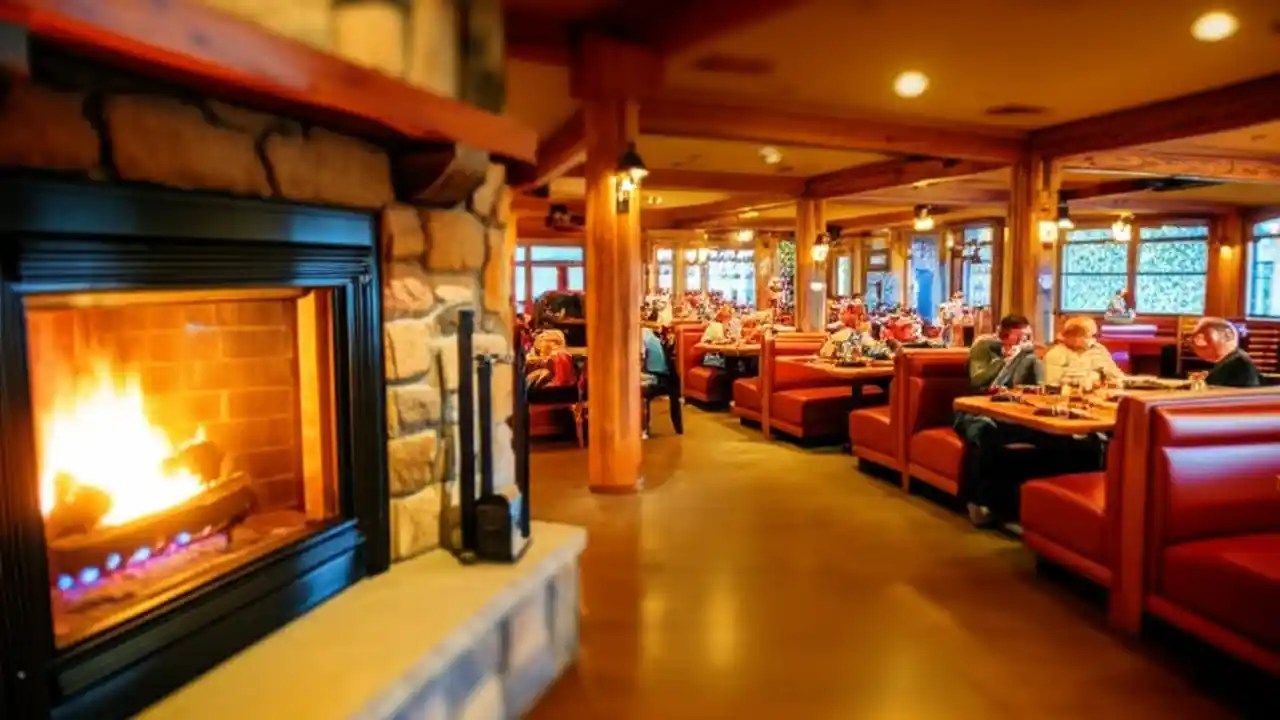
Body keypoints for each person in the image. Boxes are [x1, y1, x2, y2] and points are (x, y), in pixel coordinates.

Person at [953, 314, 1045, 527]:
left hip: (1012, 410)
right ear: (1002, 334)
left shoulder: (1028, 355)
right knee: (986, 434)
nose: (1022, 341)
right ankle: (977, 501)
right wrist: (1003, 361)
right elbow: (977, 381)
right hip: (975, 409)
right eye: (1017, 336)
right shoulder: (984, 347)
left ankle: (1022, 506)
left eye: (1026, 337)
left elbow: (1040, 386)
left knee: (1048, 438)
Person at [1043, 316, 1123, 387]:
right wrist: (1089, 380)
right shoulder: (1055, 354)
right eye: (1089, 336)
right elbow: (1052, 385)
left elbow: (1116, 376)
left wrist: (1122, 382)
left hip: (1099, 396)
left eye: (1094, 336)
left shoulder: (1099, 349)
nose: (1093, 339)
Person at [1191, 317, 1261, 387]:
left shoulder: (1237, 362)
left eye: (1202, 337)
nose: (1200, 343)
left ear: (1228, 335)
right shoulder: (1233, 358)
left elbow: (1216, 387)